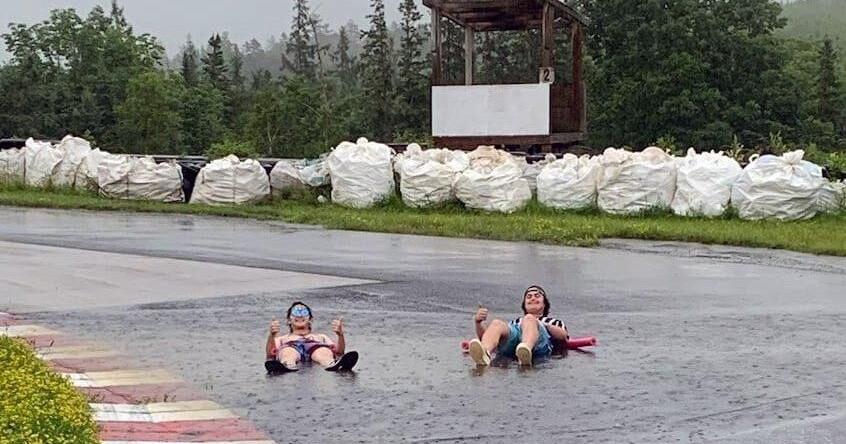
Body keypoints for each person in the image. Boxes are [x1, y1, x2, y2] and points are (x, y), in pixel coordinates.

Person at [468, 285, 569, 367]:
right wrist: (478, 322)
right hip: (515, 339)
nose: (533, 298)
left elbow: (563, 336)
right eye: (529, 297)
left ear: (544, 304)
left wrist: (542, 325)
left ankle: (525, 350)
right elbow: (485, 337)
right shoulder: (515, 322)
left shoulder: (553, 322)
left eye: (537, 296)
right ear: (524, 304)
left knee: (529, 319)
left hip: (540, 342)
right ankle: (485, 353)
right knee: (496, 323)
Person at [264, 301, 357, 373]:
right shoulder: (282, 339)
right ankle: (288, 364)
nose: (300, 315)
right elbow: (270, 353)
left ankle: (331, 364)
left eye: (303, 312)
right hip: (291, 347)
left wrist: (340, 335)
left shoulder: (321, 337)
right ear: (289, 320)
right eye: (295, 312)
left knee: (323, 352)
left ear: (310, 319)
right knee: (287, 352)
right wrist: (271, 335)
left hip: (315, 346)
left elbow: (340, 351)